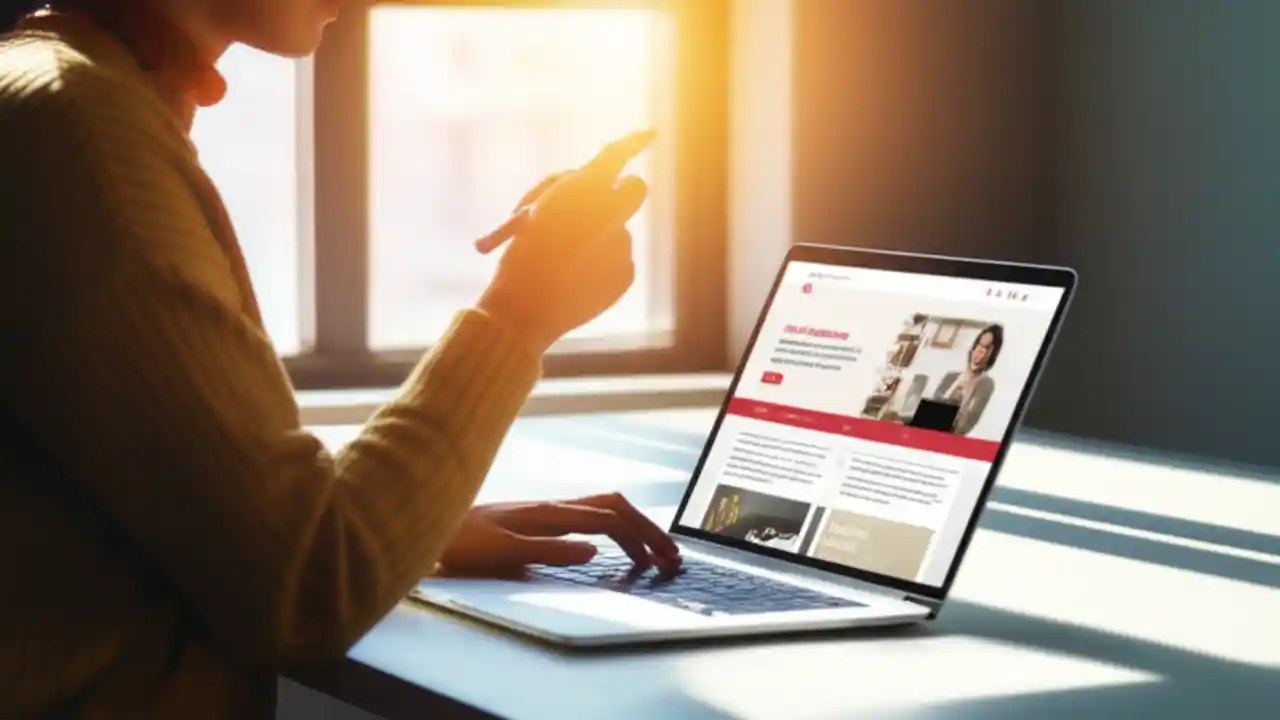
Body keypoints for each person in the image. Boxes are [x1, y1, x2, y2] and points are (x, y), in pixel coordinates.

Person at [0, 0, 682, 716]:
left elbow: (114, 506)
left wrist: (411, 528)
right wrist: (519, 314)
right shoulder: (84, 136)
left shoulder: (51, 93)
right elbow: (308, 592)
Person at [933, 324, 1004, 435]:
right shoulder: (950, 376)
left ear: (992, 354)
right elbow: (931, 407)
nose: (980, 351)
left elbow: (967, 423)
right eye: (979, 345)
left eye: (986, 348)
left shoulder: (986, 384)